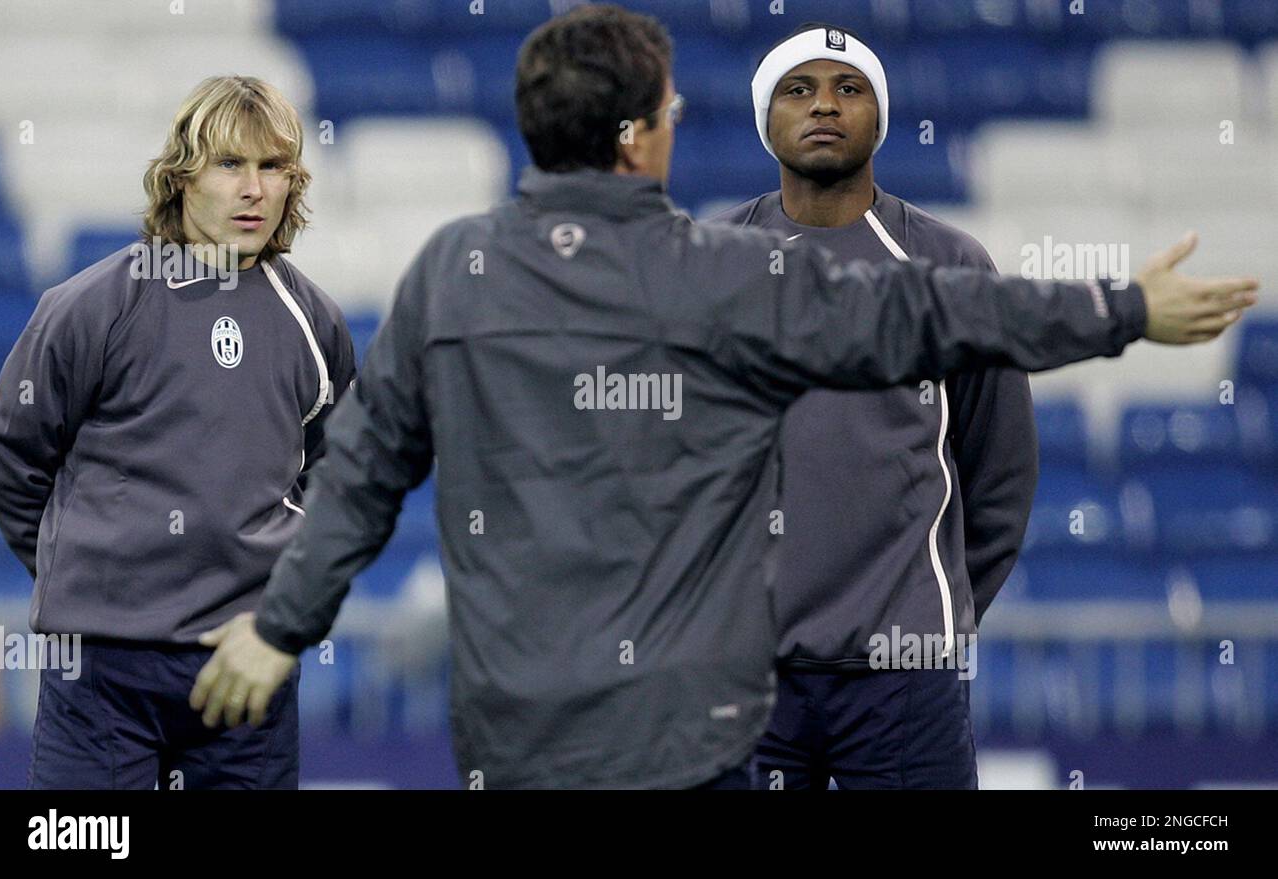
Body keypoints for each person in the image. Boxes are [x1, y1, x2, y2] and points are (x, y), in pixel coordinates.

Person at [188, 4, 1256, 790]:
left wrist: (281, 628)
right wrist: (1120, 310)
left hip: (523, 727)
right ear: (643, 136)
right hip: (691, 726)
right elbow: (929, 319)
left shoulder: (449, 272)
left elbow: (362, 474)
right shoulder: (719, 271)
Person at [0, 75, 355, 789]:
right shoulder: (89, 307)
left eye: (272, 166)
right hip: (100, 672)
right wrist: (88, 574)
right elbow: (11, 460)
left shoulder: (317, 322)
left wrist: (274, 606)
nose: (253, 189)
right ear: (181, 177)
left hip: (246, 666)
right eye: (230, 163)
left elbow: (340, 479)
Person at [707, 22, 1032, 789]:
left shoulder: (951, 267)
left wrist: (933, 617)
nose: (825, 105)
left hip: (905, 687)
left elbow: (1002, 477)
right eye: (800, 89)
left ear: (880, 116)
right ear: (766, 119)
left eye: (848, 88)